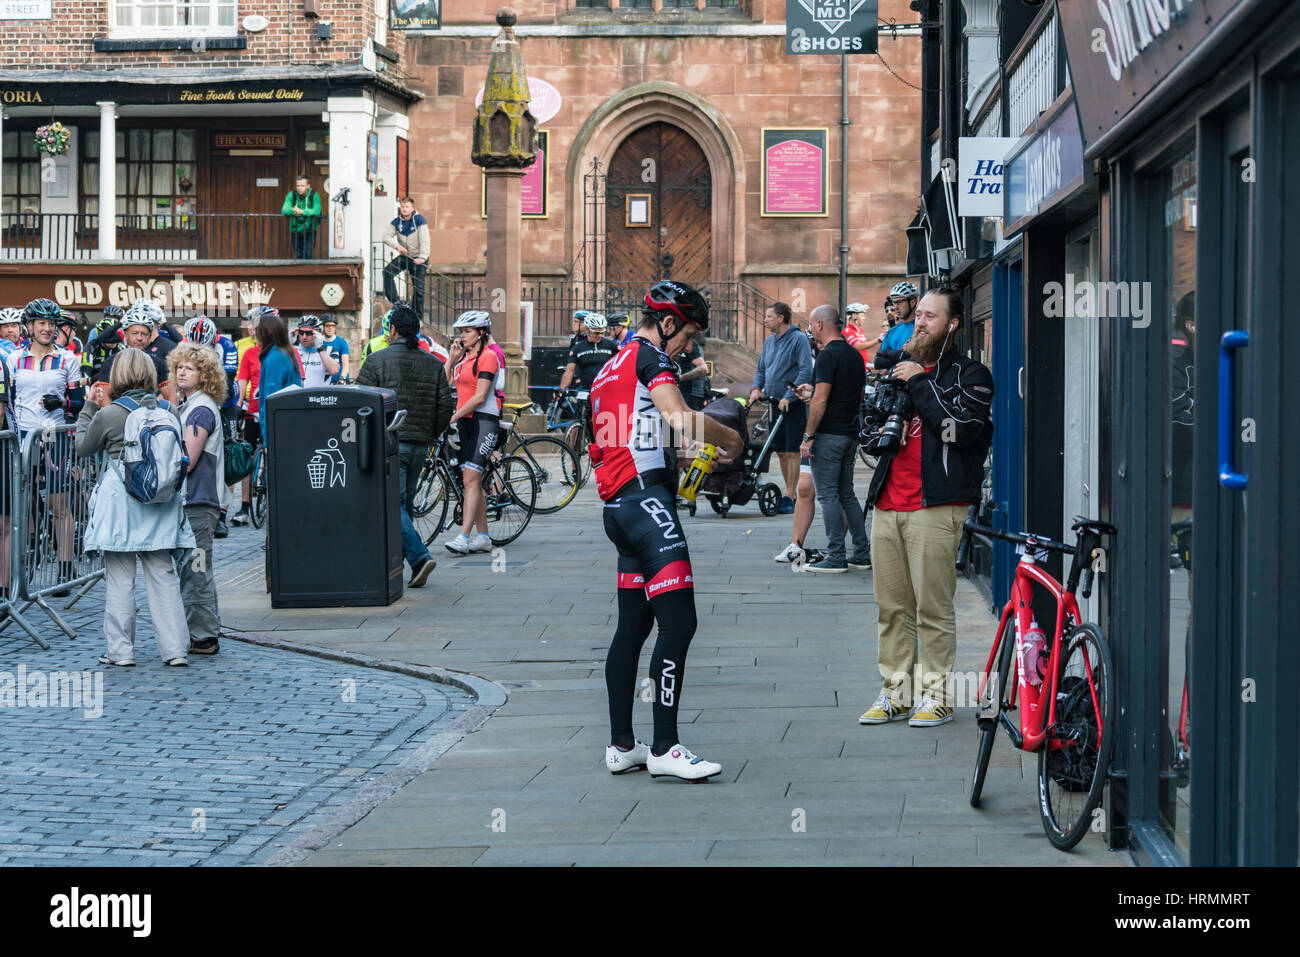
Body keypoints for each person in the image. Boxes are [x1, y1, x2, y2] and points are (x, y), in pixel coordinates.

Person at [593, 280, 742, 782]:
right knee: (679, 623)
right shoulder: (651, 355)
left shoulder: (609, 365)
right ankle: (665, 747)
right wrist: (732, 439)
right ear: (669, 322)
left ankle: (621, 746)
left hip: (619, 507)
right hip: (647, 503)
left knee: (632, 629)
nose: (689, 348)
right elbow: (680, 417)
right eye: (688, 336)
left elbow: (631, 433)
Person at [860, 288, 994, 727]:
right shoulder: (896, 370)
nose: (919, 323)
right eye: (917, 315)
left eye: (929, 316)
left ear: (951, 324)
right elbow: (868, 431)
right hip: (888, 501)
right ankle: (895, 693)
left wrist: (919, 380)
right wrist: (878, 418)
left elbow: (961, 431)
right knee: (892, 607)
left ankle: (935, 696)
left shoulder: (971, 375)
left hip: (936, 505)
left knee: (932, 609)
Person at [74, 349, 194, 666]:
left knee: (120, 579)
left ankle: (121, 651)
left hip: (121, 504)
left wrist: (88, 405)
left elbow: (82, 447)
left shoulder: (110, 413)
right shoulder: (170, 409)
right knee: (163, 576)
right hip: (160, 500)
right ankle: (175, 650)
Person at [356, 303, 455, 587]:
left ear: (393, 330)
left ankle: (420, 558)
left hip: (390, 443)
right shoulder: (434, 363)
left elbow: (361, 401)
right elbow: (444, 406)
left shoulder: (377, 360)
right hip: (421, 444)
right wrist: (431, 433)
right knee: (404, 503)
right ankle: (400, 565)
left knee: (393, 503)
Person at [8, 297, 83, 590]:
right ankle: (18, 566)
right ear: (30, 326)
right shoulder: (13, 359)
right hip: (23, 437)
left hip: (55, 435)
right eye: (42, 323)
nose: (48, 328)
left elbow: (78, 402)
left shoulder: (68, 359)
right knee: (20, 504)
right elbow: (9, 400)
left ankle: (65, 568)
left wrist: (62, 401)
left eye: (52, 323)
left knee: (59, 504)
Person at [795, 305, 870, 573]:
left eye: (812, 325)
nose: (811, 329)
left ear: (819, 325)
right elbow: (859, 397)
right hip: (850, 434)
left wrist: (809, 435)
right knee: (847, 494)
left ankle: (836, 556)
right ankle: (861, 553)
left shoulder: (827, 355)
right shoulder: (854, 355)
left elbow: (822, 398)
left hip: (828, 435)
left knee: (827, 497)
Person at [168, 343, 226, 656]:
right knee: (195, 568)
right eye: (180, 366)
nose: (182, 372)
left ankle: (204, 635)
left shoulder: (200, 409)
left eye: (190, 368)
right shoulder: (191, 405)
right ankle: (203, 631)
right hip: (195, 502)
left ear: (204, 375)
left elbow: (187, 459)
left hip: (199, 503)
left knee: (197, 568)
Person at [443, 311, 503, 556]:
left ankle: (463, 536)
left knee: (469, 479)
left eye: (467, 331)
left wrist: (454, 416)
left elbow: (480, 397)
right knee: (473, 481)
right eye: (460, 332)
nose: (462, 336)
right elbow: (445, 382)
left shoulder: (488, 357)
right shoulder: (464, 358)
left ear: (481, 333)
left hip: (484, 422)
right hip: (466, 423)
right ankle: (485, 538)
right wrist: (451, 358)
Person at [748, 301, 813, 515]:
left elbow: (805, 371)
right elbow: (761, 368)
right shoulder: (769, 342)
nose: (764, 320)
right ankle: (789, 493)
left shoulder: (799, 339)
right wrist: (756, 388)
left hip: (791, 404)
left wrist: (788, 396)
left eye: (768, 316)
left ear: (780, 318)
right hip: (774, 401)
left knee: (793, 451)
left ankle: (790, 495)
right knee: (782, 451)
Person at [184, 315, 241, 539]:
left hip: (225, 401)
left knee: (225, 457)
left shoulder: (226, 345)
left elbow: (226, 378)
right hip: (199, 400)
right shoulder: (184, 346)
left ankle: (222, 516)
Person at [92, 299, 174, 404]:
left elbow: (171, 396)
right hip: (119, 413)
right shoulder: (111, 361)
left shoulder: (158, 363)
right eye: (135, 333)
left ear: (150, 337)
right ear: (125, 335)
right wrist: (111, 417)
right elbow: (103, 396)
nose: (139, 338)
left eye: (144, 334)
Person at [255, 311, 303, 442]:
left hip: (277, 431)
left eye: (257, 331)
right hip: (286, 425)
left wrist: (267, 440)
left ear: (266, 333)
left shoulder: (275, 358)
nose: (254, 334)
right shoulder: (283, 352)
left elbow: (271, 402)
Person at [382, 197, 430, 316]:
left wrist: (422, 258)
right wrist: (397, 246)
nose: (404, 209)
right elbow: (386, 237)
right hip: (405, 257)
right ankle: (397, 302)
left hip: (419, 258)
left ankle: (417, 317)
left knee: (418, 289)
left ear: (412, 208)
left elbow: (425, 241)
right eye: (402, 206)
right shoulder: (396, 222)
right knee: (387, 272)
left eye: (407, 206)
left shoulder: (419, 220)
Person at [559, 313, 618, 394]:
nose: (599, 335)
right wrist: (561, 389)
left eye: (602, 332)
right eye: (596, 332)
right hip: (586, 391)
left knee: (621, 406)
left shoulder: (611, 346)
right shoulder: (578, 348)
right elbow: (569, 371)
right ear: (587, 329)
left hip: (607, 391)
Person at [293, 315, 340, 388]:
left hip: (318, 397)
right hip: (297, 396)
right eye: (301, 332)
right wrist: (286, 344)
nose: (304, 337)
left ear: (319, 333)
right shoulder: (293, 351)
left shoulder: (329, 350)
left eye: (309, 333)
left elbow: (334, 370)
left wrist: (320, 348)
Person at [877, 280, 920, 360]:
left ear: (913, 302)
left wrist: (888, 353)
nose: (896, 307)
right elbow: (878, 362)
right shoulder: (891, 331)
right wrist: (900, 355)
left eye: (900, 302)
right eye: (894, 302)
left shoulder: (921, 328)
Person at [282, 174, 321, 259]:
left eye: (302, 186)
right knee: (298, 255)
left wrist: (301, 211)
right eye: (298, 185)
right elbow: (284, 209)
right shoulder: (292, 195)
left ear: (308, 186)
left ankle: (309, 272)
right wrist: (293, 210)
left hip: (310, 230)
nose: (299, 188)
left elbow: (317, 211)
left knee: (308, 255)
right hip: (295, 230)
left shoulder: (314, 195)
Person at [675, 327, 711, 411]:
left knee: (694, 423)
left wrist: (681, 378)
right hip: (683, 393)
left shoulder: (692, 344)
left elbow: (703, 369)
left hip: (692, 394)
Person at [842, 302, 874, 370]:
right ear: (854, 316)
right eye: (862, 315)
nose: (864, 318)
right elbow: (858, 347)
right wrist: (878, 340)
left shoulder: (860, 331)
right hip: (853, 371)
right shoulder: (847, 331)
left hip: (863, 369)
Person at [320, 315, 351, 383]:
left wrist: (342, 378)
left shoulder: (342, 342)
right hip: (322, 381)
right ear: (323, 327)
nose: (330, 328)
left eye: (333, 325)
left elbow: (345, 364)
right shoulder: (318, 342)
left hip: (338, 381)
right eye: (328, 325)